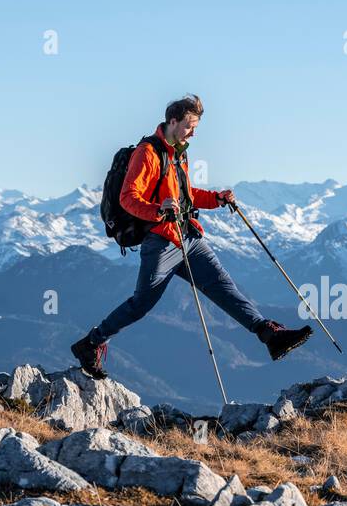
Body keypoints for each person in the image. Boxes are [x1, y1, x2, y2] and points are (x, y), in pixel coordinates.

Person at [71, 94, 312, 379]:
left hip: (188, 237)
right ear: (172, 121)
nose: (193, 133)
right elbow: (127, 198)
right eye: (189, 126)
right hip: (160, 242)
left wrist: (217, 199)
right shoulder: (147, 154)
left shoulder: (179, 153)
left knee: (223, 286)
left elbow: (186, 195)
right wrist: (158, 211)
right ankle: (92, 342)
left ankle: (269, 335)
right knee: (141, 304)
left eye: (195, 127)